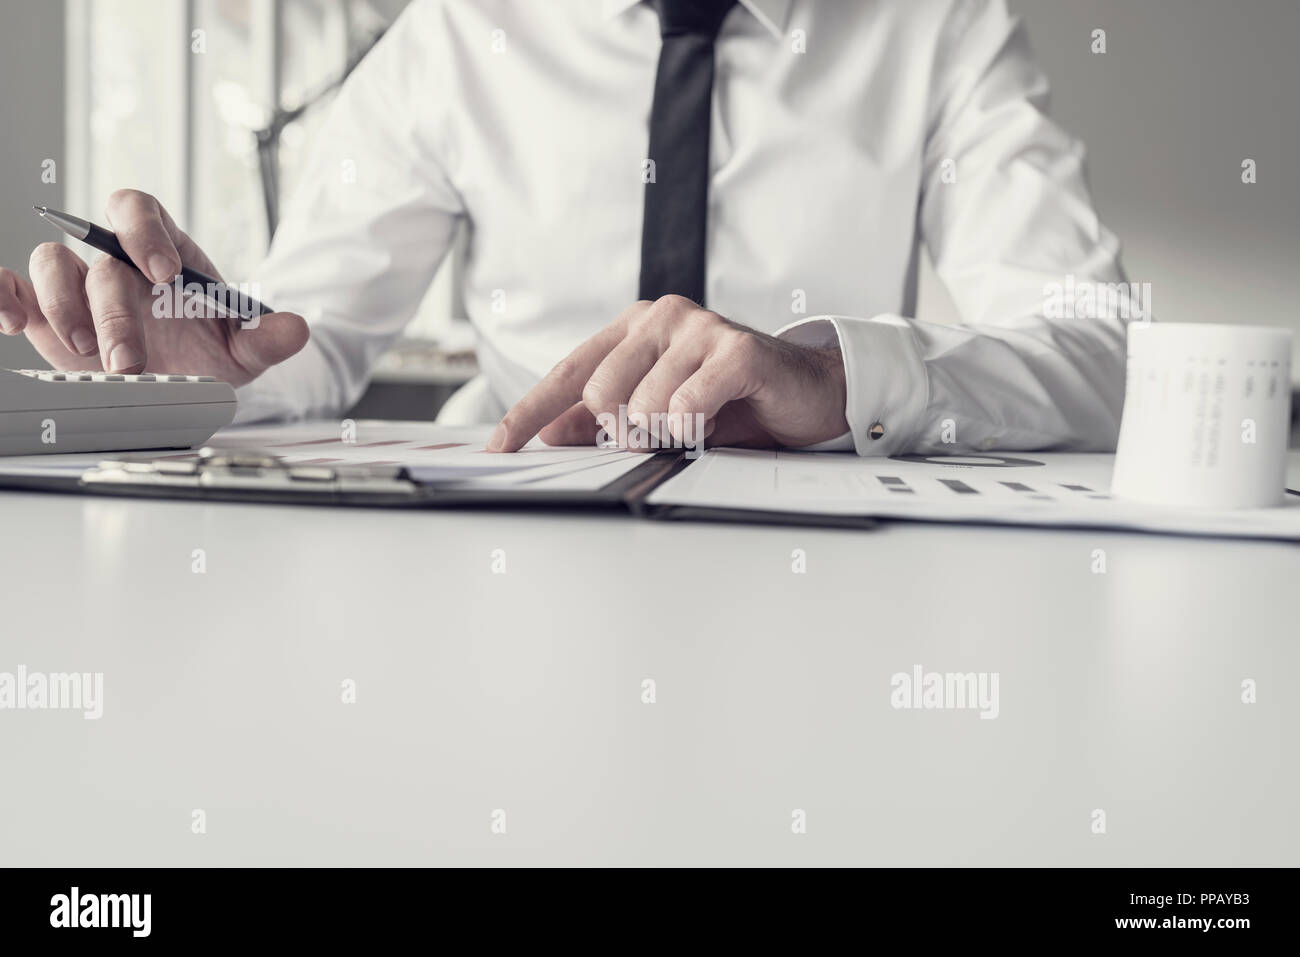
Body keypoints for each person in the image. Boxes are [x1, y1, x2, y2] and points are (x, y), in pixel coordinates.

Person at [0, 0, 1135, 456]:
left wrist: (841, 375)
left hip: (831, 555)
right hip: (509, 545)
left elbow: (1098, 352)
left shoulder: (938, 26)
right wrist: (205, 368)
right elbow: (302, 343)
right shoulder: (456, 34)